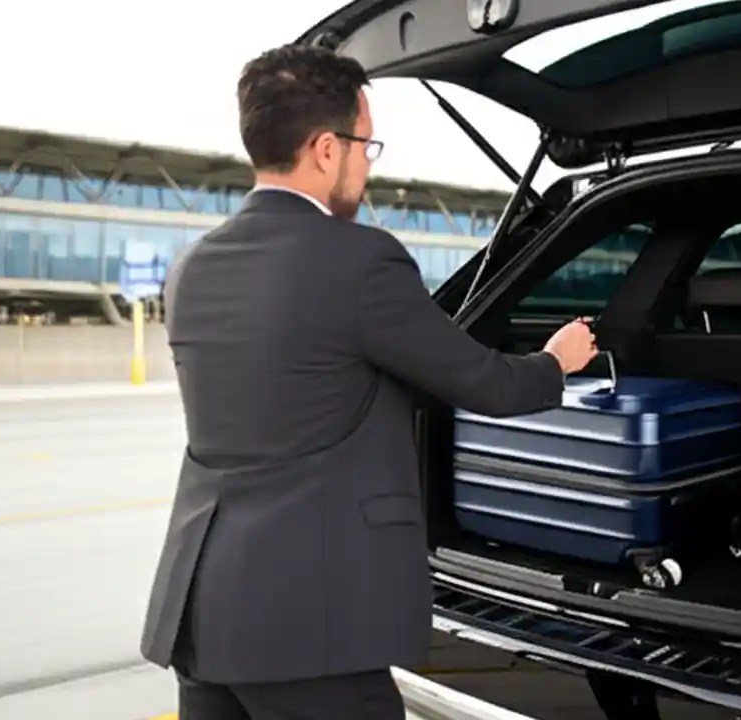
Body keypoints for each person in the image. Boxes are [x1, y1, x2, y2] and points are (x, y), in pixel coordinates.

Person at [138, 44, 599, 719]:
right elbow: (485, 382)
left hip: (205, 616)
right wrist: (556, 361)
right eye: (365, 147)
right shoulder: (360, 261)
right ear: (327, 149)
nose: (366, 166)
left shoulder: (192, 268)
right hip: (309, 627)